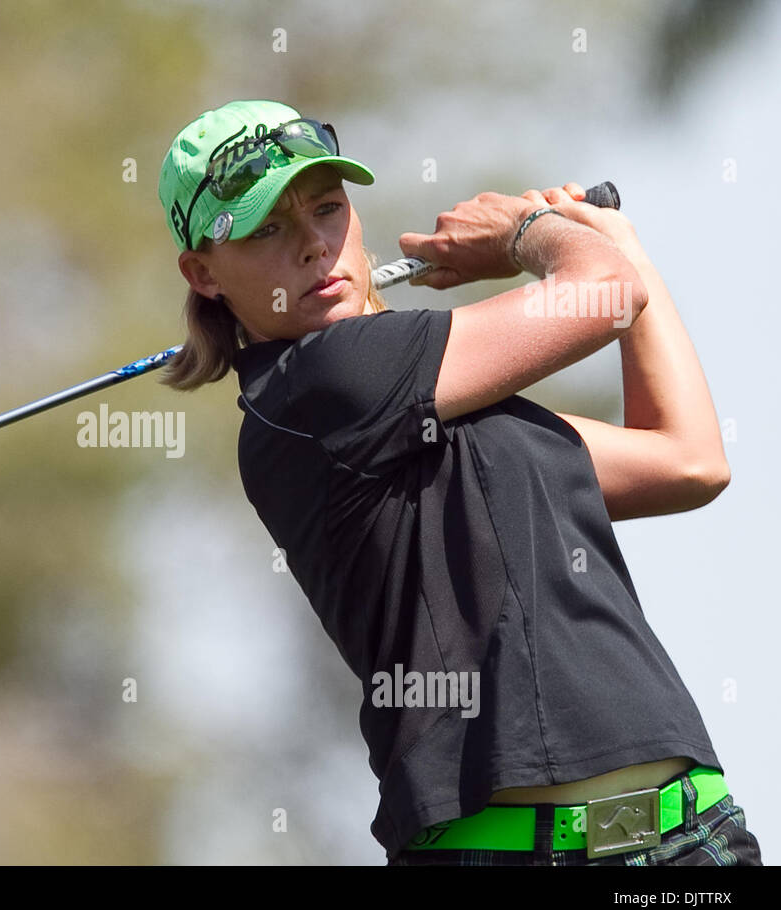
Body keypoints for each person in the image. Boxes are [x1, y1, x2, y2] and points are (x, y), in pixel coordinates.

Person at [156, 98, 763, 866]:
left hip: (691, 838)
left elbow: (687, 460)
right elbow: (601, 295)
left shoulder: (452, 407)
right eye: (267, 228)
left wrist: (623, 248)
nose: (314, 246)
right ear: (203, 273)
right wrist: (525, 234)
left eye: (327, 208)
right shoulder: (319, 386)